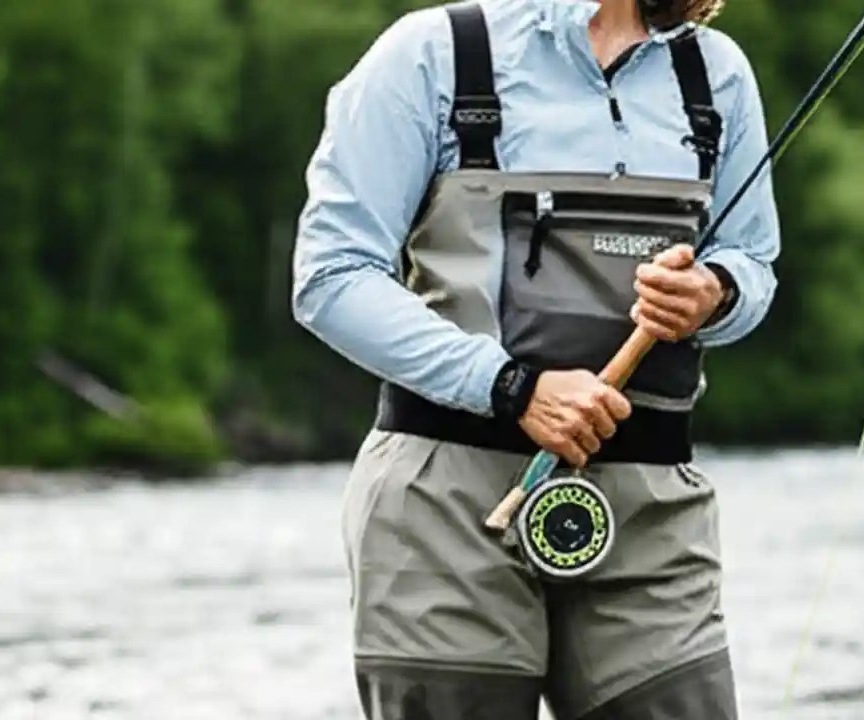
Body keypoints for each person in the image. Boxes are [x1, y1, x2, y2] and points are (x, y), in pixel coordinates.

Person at [292, 0, 780, 717]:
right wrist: (512, 388)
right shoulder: (429, 54)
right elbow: (330, 277)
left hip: (653, 507)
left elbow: (753, 260)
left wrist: (717, 291)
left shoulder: (717, 72)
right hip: (444, 505)